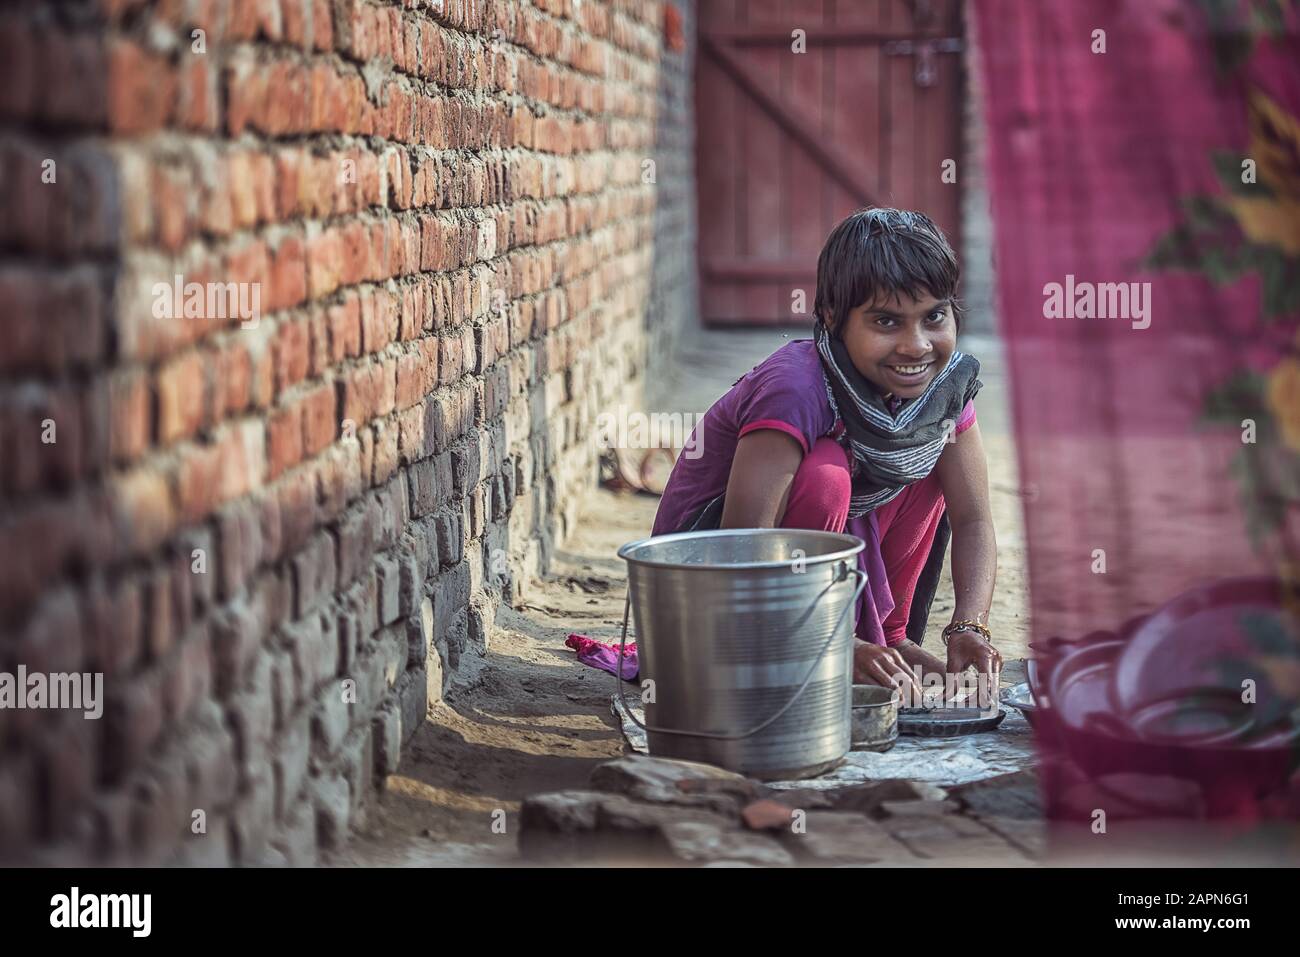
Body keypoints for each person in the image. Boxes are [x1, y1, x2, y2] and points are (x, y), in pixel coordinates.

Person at [652, 208, 1003, 700]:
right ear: (834, 319)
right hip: (719, 612)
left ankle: (888, 638)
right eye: (886, 321)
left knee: (923, 456)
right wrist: (835, 646)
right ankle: (823, 648)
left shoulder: (942, 388)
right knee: (827, 475)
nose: (915, 345)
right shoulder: (794, 388)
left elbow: (974, 520)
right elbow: (738, 554)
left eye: (934, 317)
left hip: (815, 606)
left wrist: (969, 627)